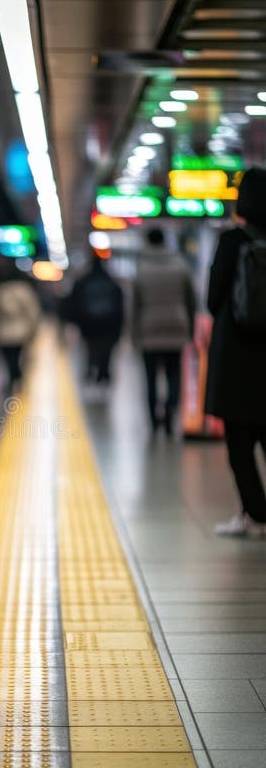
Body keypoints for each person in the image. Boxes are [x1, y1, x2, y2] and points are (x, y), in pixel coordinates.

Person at [206, 167, 266, 537]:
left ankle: (256, 515)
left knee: (239, 445)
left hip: (238, 356)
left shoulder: (232, 241)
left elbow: (213, 299)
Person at [132, 228, 196, 434]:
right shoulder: (180, 265)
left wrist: (133, 335)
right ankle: (169, 414)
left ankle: (153, 422)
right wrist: (191, 329)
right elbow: (192, 301)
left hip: (148, 329)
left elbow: (134, 306)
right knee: (174, 375)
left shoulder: (141, 269)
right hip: (176, 327)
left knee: (150, 378)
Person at [69, 253, 124, 386]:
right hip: (109, 324)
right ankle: (103, 373)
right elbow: (119, 306)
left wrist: (76, 322)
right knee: (106, 349)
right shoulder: (112, 282)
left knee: (90, 348)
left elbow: (74, 304)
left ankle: (91, 368)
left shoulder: (82, 282)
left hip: (89, 325)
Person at [0, 272, 41, 393]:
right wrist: (33, 329)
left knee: (9, 359)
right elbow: (33, 312)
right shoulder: (25, 290)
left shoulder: (0, 290)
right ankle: (17, 377)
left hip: (2, 333)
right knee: (18, 357)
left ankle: (13, 378)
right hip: (21, 332)